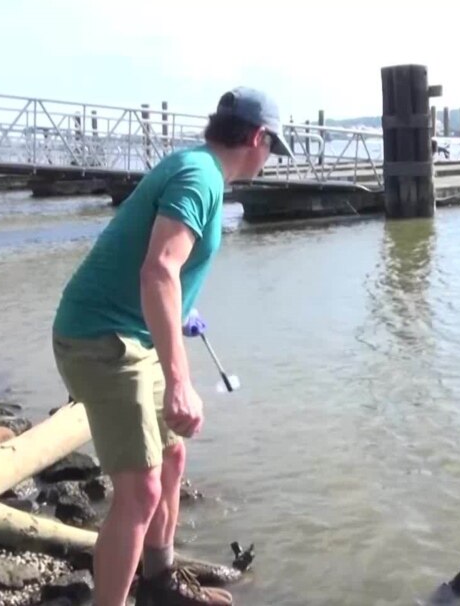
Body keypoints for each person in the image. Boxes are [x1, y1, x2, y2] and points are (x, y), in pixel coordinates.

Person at [50, 87, 292, 606]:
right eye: (273, 146)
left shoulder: (197, 167)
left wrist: (180, 314)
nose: (270, 158)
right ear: (256, 137)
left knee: (172, 459)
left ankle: (158, 585)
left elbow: (164, 272)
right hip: (103, 339)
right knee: (140, 491)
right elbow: (160, 268)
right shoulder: (200, 176)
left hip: (130, 332)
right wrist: (180, 381)